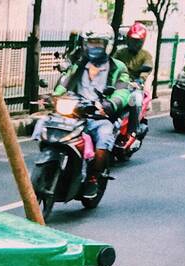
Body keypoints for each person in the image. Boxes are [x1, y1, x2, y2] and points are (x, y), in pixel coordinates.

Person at [53, 26, 134, 197]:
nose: (94, 47)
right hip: (75, 111)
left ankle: (93, 177)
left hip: (100, 115)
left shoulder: (118, 67)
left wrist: (110, 104)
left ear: (108, 45)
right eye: (91, 43)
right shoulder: (79, 64)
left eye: (98, 43)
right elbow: (64, 82)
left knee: (104, 139)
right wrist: (54, 96)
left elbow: (123, 90)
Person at [113, 21, 152, 127]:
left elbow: (147, 69)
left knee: (135, 101)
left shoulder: (145, 55)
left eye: (137, 41)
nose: (134, 43)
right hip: (119, 84)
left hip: (135, 86)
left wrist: (139, 80)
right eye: (132, 40)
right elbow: (112, 65)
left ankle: (133, 129)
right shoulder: (120, 53)